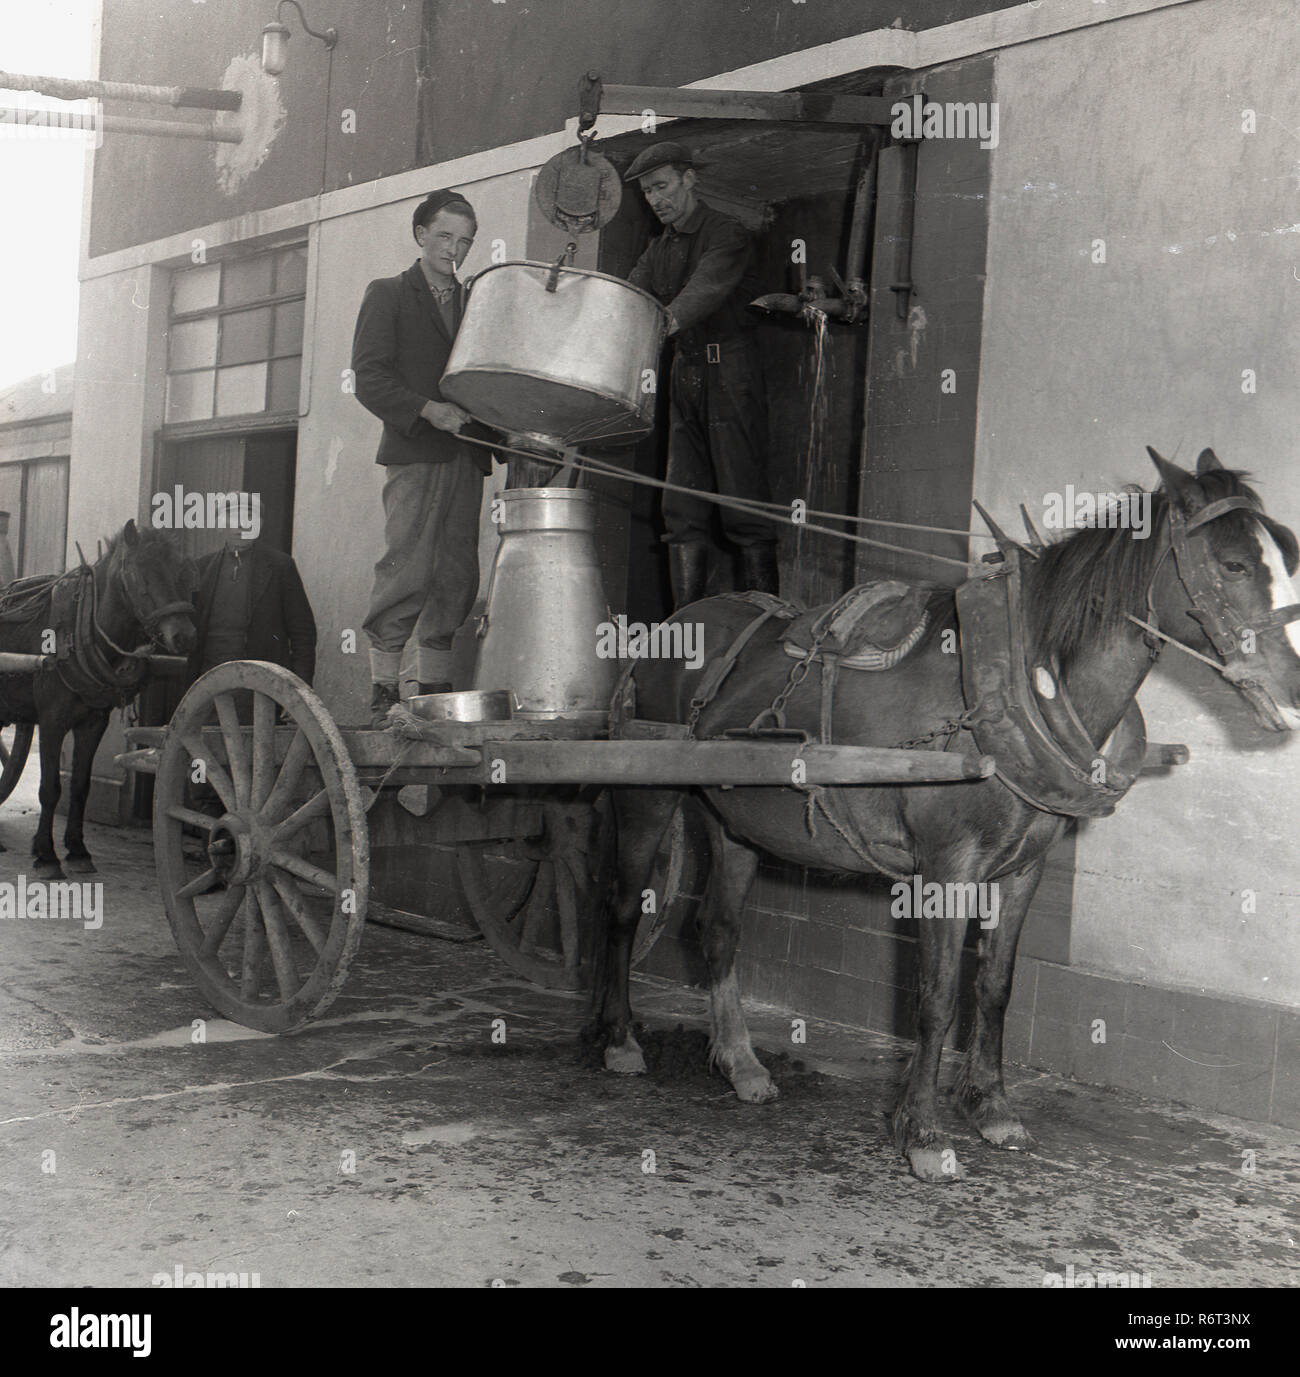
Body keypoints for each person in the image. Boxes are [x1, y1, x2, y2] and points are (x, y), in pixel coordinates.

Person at [351, 188, 498, 726]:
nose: (454, 249)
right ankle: (384, 695)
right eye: (444, 236)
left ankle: (434, 692)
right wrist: (426, 411)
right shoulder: (387, 293)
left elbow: (489, 384)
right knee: (406, 565)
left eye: (465, 241)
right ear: (420, 235)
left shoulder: (478, 303)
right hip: (415, 452)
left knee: (456, 573)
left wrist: (510, 437)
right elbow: (369, 378)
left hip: (468, 457)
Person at [624, 141, 779, 607]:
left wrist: (662, 322)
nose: (655, 199)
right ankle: (684, 630)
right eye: (648, 192)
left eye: (662, 186)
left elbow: (704, 289)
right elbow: (631, 297)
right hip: (685, 372)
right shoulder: (659, 249)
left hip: (729, 370)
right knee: (680, 508)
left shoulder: (725, 233)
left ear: (690, 179)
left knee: (743, 500)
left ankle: (765, 625)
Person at [189, 532, 317, 684]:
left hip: (261, 685)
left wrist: (298, 691)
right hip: (207, 682)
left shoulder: (280, 566)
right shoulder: (201, 567)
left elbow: (303, 634)